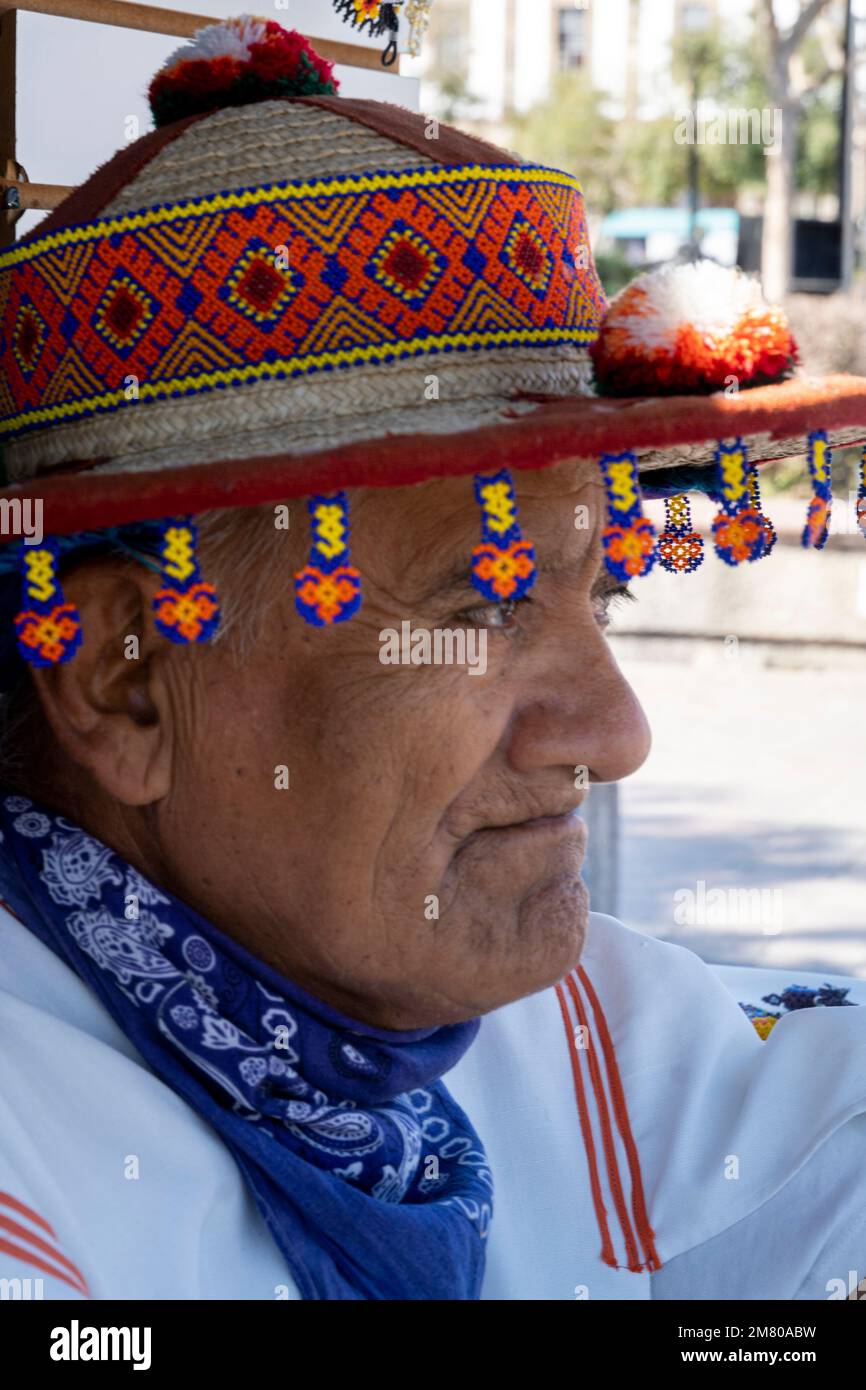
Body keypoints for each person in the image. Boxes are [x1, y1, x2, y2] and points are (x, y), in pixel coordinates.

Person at [1, 17, 866, 1302]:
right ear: (126, 679)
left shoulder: (502, 1004)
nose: (615, 734)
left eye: (601, 595)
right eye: (483, 603)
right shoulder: (38, 1173)